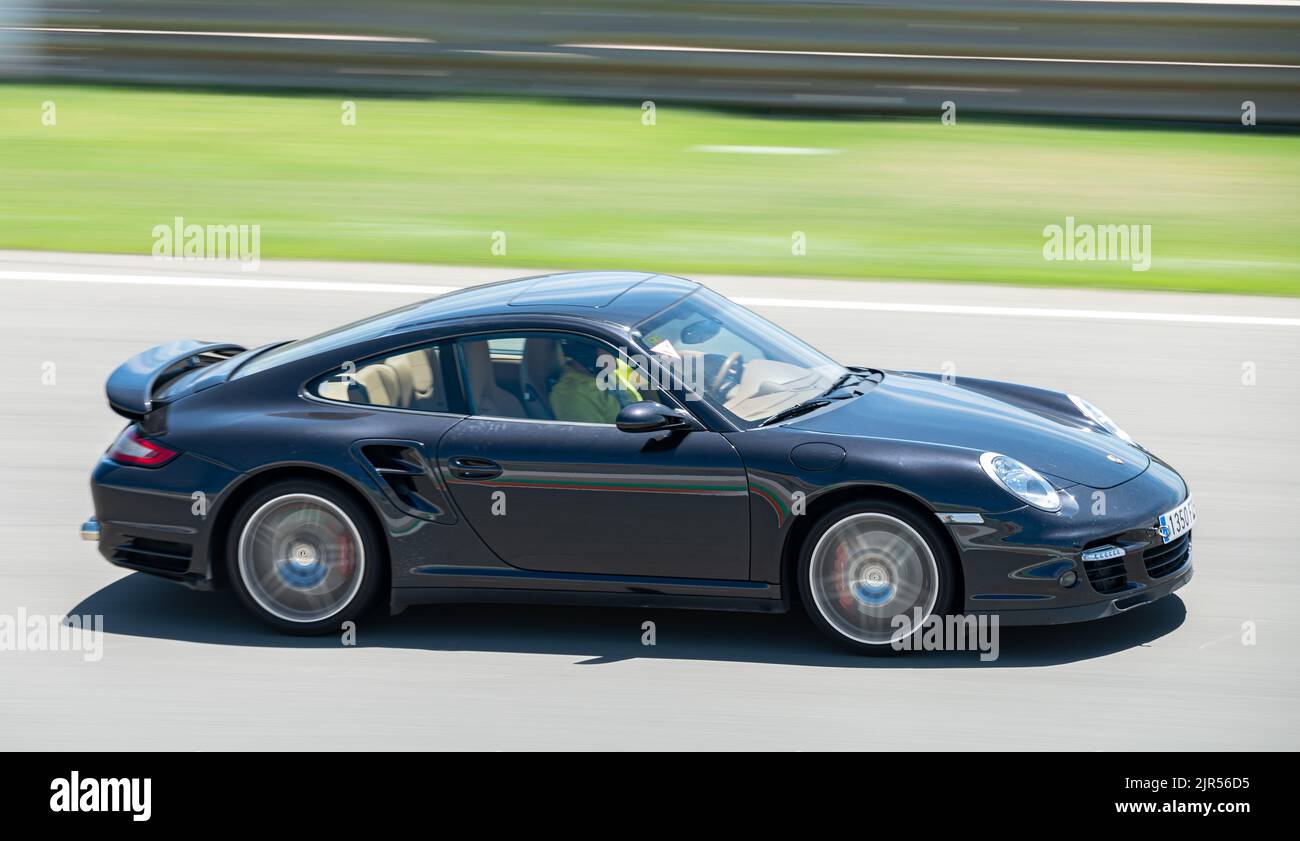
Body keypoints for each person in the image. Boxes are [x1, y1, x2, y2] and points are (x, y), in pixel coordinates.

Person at [549, 339, 640, 424]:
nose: (615, 356)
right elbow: (594, 439)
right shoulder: (573, 395)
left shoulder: (604, 375)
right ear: (587, 353)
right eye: (606, 349)